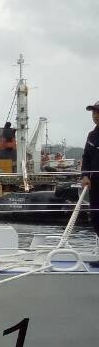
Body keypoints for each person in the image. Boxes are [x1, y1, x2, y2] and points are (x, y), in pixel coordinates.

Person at [82, 101, 99, 243]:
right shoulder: (92, 135)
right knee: (95, 217)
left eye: (98, 112)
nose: (95, 115)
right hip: (95, 183)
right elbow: (86, 157)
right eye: (94, 112)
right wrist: (85, 175)